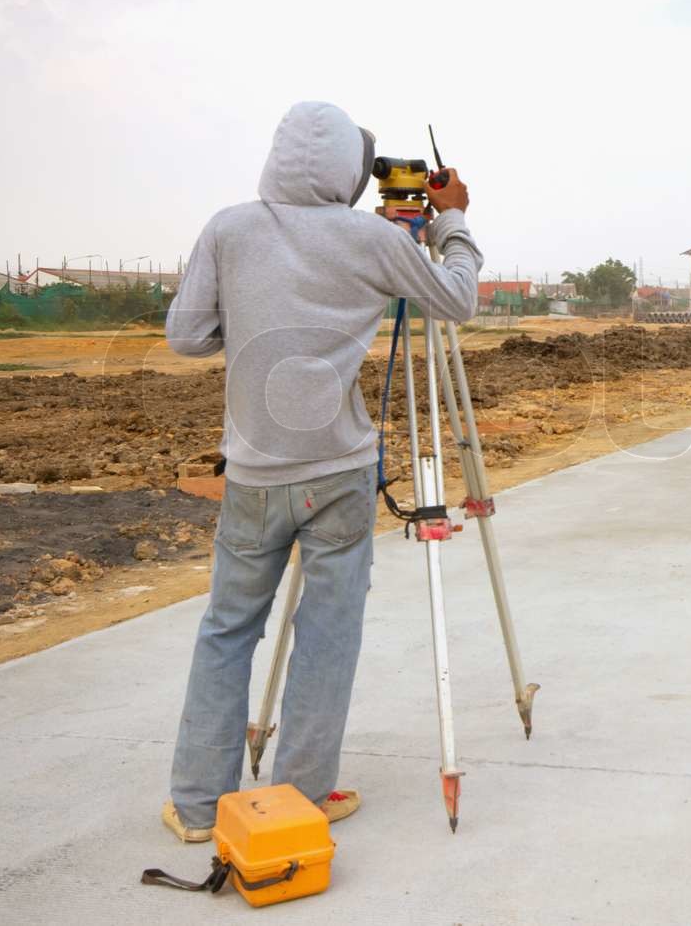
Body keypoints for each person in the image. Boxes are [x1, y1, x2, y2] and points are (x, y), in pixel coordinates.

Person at [159, 102, 483, 843]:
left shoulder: (228, 228)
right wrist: (449, 222)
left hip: (253, 474)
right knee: (328, 633)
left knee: (227, 628)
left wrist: (247, 325)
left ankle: (199, 804)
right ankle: (300, 797)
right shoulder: (370, 237)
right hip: (337, 472)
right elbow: (457, 296)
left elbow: (186, 335)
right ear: (348, 171)